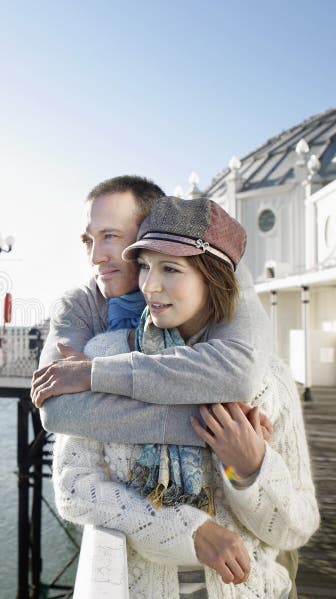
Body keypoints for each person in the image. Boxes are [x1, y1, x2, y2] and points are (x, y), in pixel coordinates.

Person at [29, 175, 299, 594]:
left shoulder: (221, 287)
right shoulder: (81, 307)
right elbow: (58, 409)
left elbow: (240, 375)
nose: (96, 257)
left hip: (254, 559)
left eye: (110, 237)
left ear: (150, 235)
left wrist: (97, 375)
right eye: (88, 240)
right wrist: (220, 432)